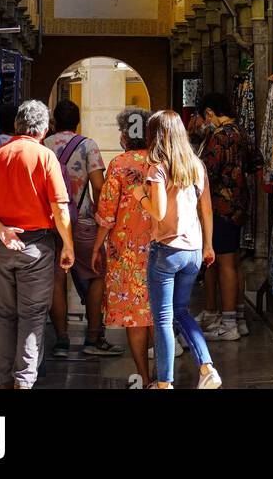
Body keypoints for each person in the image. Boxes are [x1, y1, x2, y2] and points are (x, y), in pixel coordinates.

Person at [0, 99, 72, 390]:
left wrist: (1, 231)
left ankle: (3, 380)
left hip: (0, 247)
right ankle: (23, 381)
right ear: (44, 129)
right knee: (32, 315)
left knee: (2, 315)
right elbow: (60, 208)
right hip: (36, 247)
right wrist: (68, 245)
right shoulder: (45, 157)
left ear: (17, 126)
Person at [141, 109, 221, 390]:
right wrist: (209, 245)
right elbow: (207, 210)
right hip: (194, 249)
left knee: (162, 318)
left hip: (166, 249)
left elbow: (159, 212)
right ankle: (207, 367)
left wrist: (142, 199)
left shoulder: (158, 166)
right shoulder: (196, 165)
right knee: (182, 312)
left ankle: (164, 383)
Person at [45, 98, 121, 359]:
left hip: (52, 223)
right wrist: (104, 217)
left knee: (56, 279)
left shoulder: (44, 145)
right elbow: (99, 186)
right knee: (96, 275)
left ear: (54, 121)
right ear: (78, 121)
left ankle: (62, 340)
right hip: (84, 221)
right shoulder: (88, 145)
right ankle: (93, 337)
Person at [92, 108, 156, 387]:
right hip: (160, 246)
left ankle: (143, 377)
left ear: (125, 134)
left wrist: (96, 247)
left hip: (127, 250)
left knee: (135, 315)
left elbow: (107, 213)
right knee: (158, 311)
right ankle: (162, 378)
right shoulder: (161, 161)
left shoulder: (119, 165)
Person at [197, 91, 254, 341]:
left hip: (221, 205)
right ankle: (237, 317)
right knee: (232, 261)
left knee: (226, 263)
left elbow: (207, 170)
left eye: (203, 117)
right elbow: (256, 163)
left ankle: (228, 322)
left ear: (210, 113)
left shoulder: (220, 137)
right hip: (240, 203)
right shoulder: (242, 133)